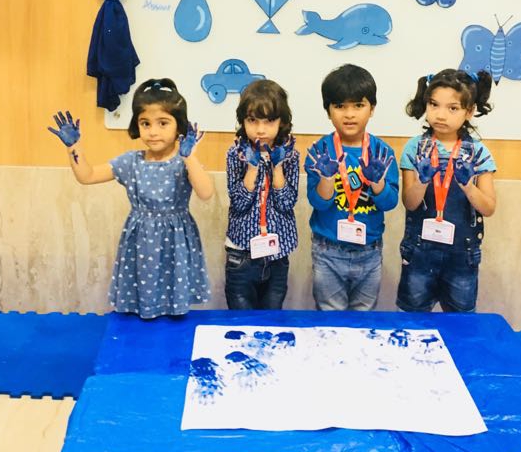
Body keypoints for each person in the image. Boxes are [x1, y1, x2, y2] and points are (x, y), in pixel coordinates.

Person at [47, 79, 212, 319]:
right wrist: (74, 147)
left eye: (163, 123)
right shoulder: (131, 161)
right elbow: (88, 175)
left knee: (174, 310)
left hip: (176, 238)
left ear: (179, 127)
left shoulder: (183, 161)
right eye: (145, 123)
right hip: (141, 240)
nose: (153, 131)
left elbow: (206, 193)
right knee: (141, 307)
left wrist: (190, 158)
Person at [397, 69, 497, 313]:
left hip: (462, 255)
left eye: (452, 108)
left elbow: (489, 207)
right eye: (434, 105)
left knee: (461, 324)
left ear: (469, 111)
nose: (440, 115)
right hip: (420, 252)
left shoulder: (478, 152)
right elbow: (409, 203)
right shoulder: (415, 148)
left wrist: (467, 185)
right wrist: (422, 180)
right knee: (412, 321)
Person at [305, 64, 399, 311]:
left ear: (372, 109)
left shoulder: (382, 153)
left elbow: (389, 203)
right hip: (328, 250)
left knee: (363, 320)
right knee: (330, 318)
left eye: (358, 105)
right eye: (339, 106)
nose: (349, 114)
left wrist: (377, 182)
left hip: (369, 251)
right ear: (328, 111)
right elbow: (318, 203)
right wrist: (326, 178)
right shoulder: (320, 152)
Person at [224, 79, 300, 310]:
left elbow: (287, 202)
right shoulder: (236, 153)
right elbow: (238, 203)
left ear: (282, 121)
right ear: (242, 121)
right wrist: (252, 167)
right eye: (252, 120)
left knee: (272, 321)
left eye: (269, 121)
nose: (260, 129)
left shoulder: (290, 155)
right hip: (241, 256)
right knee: (241, 321)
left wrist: (277, 167)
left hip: (277, 255)